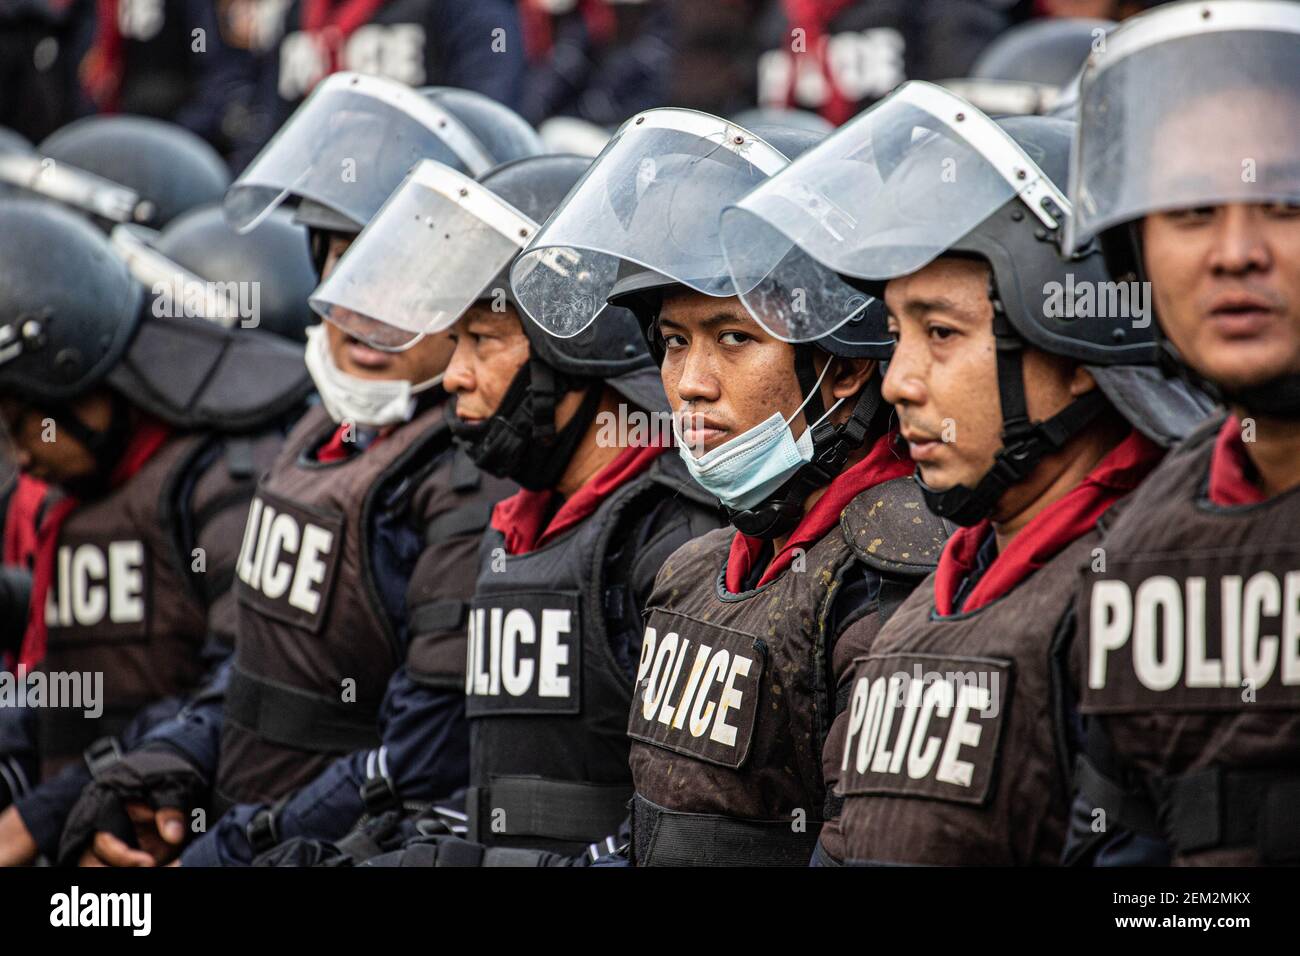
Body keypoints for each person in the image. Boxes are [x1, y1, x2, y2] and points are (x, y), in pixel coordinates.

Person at [53, 82, 543, 868]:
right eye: (351, 257)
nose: (368, 300)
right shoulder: (321, 427)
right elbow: (255, 673)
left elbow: (424, 763)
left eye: (406, 267)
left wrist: (247, 847)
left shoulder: (469, 481)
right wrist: (170, 765)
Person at [730, 80, 1210, 864]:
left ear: (1076, 346)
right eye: (895, 334)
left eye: (942, 332)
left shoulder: (1156, 595)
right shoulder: (928, 597)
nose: (898, 381)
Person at [509, 110, 943, 865]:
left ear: (840, 366)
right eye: (675, 342)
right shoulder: (691, 572)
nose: (690, 385)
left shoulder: (889, 586)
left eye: (735, 338)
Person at [296, 152, 724, 867]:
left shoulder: (673, 540)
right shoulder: (525, 526)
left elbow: (697, 832)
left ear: (575, 349)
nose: (454, 373)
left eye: (482, 341)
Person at [0, 198, 310, 865]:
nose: (23, 457)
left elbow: (247, 682)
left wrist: (48, 814)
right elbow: (76, 697)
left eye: (26, 421)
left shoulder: (226, 479)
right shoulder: (88, 498)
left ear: (78, 384)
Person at [1063, 0, 1300, 866]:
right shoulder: (1138, 545)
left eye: (1283, 199)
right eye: (1192, 209)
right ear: (1134, 255)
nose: (1235, 251)